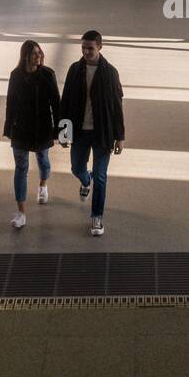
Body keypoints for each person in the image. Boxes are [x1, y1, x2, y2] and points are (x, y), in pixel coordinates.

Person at [59, 30, 125, 236]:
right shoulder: (75, 70)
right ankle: (86, 181)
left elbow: (116, 105)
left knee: (101, 176)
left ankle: (97, 217)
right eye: (83, 48)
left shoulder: (110, 73)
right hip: (79, 131)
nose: (86, 52)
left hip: (102, 133)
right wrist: (63, 131)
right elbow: (66, 101)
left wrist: (120, 136)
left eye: (90, 48)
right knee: (76, 167)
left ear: (100, 47)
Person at [3, 40, 60, 230]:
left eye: (40, 53)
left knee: (43, 160)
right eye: (35, 53)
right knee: (21, 168)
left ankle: (43, 184)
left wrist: (58, 130)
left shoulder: (47, 75)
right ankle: (21, 212)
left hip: (42, 128)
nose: (39, 56)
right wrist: (8, 128)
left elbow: (56, 104)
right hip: (20, 129)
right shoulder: (15, 76)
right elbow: (10, 103)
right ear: (25, 56)